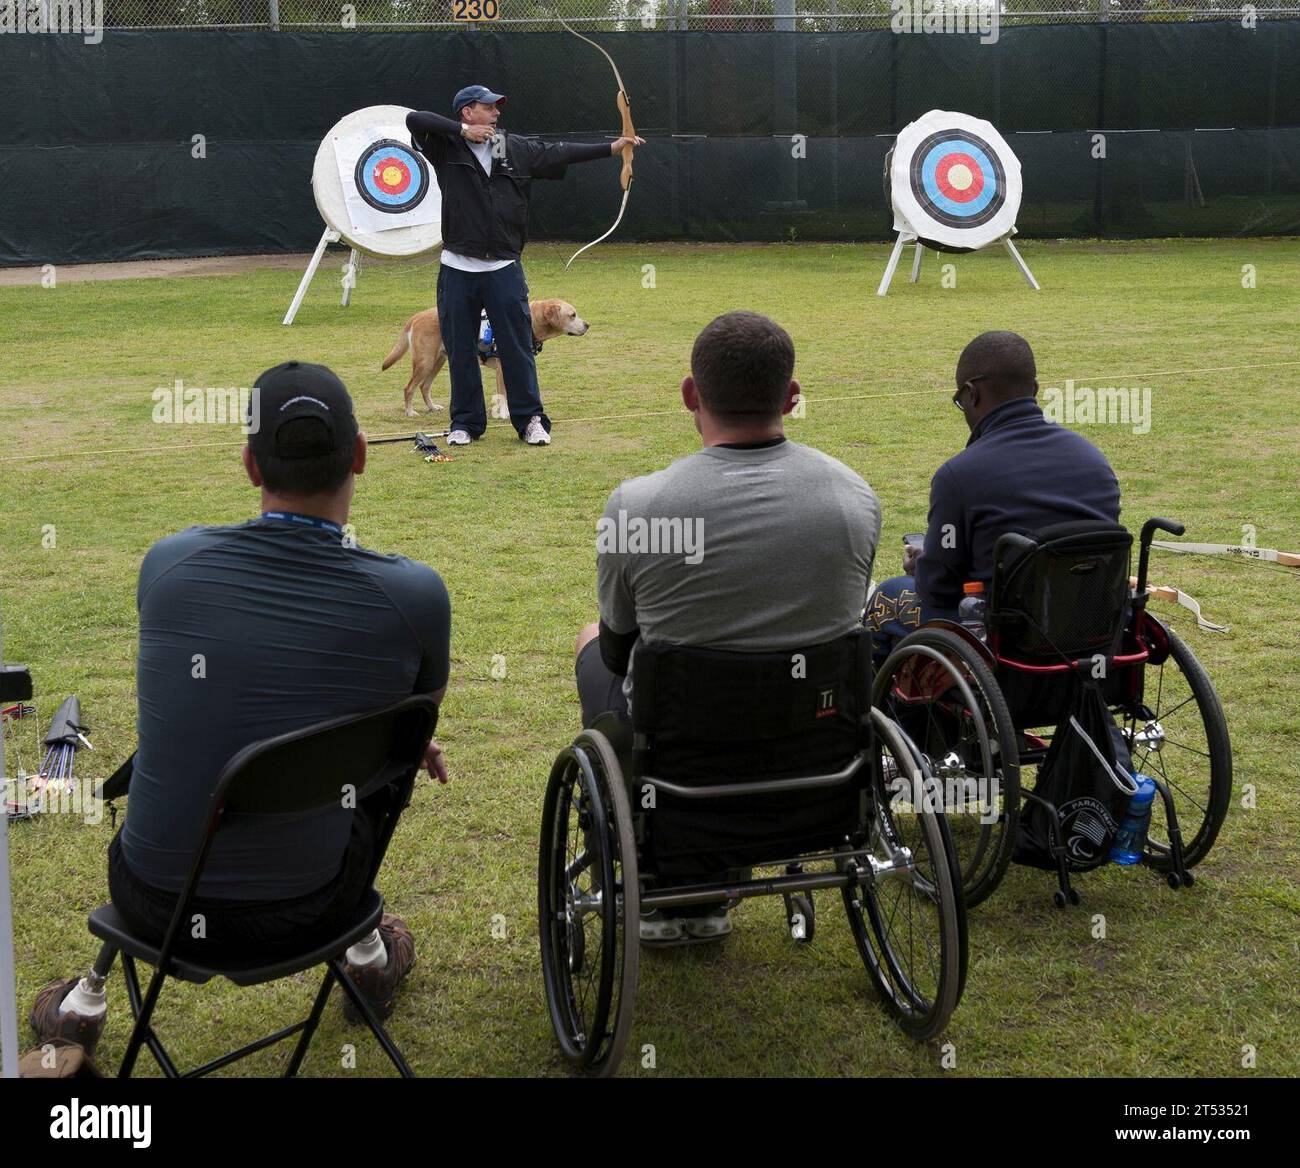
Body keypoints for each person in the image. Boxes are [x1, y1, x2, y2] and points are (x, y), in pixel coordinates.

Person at [31, 362, 451, 1050]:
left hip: (152, 903)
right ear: (362, 455)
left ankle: (82, 1004)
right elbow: (414, 731)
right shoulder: (416, 597)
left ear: (251, 465)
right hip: (313, 910)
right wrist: (387, 740)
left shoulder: (166, 567)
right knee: (383, 780)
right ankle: (370, 958)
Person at [575, 311, 881, 943]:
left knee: (588, 645)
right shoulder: (854, 496)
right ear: (791, 398)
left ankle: (654, 865)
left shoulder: (639, 506)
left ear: (691, 393)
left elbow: (615, 646)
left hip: (685, 768)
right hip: (819, 757)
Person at [407, 85, 644, 448]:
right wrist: (461, 133)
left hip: (503, 267)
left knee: (518, 347)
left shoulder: (508, 147)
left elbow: (559, 152)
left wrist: (615, 147)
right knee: (459, 348)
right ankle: (466, 424)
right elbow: (414, 118)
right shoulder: (446, 146)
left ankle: (530, 419)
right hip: (458, 268)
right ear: (467, 112)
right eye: (488, 108)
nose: (497, 113)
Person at [866, 330, 1121, 655]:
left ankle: (887, 704)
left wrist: (923, 564)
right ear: (1034, 390)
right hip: (1088, 631)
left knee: (887, 596)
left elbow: (938, 589)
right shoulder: (1095, 460)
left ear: (971, 394)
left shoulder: (959, 476)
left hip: (1002, 643)